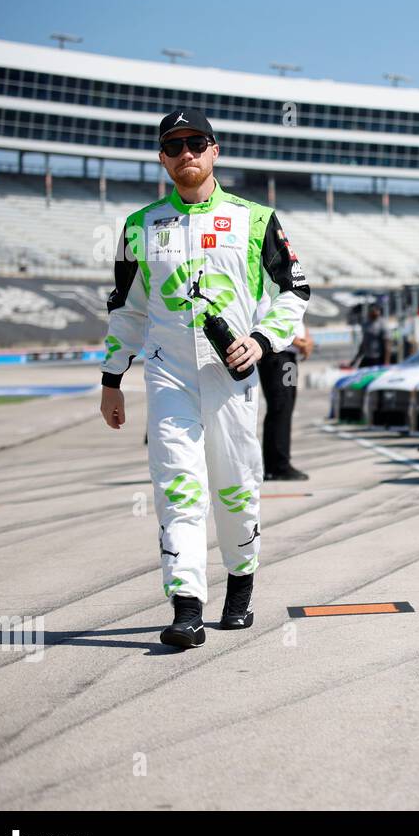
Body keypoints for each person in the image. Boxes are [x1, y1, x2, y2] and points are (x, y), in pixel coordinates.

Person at [99, 107, 309, 650]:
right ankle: (186, 606)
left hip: (231, 377)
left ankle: (240, 586)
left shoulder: (257, 219)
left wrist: (261, 341)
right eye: (174, 145)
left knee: (236, 485)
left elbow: (294, 293)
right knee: (177, 487)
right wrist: (112, 377)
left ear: (215, 150)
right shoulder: (139, 226)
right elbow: (126, 309)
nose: (186, 153)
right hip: (169, 374)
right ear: (162, 158)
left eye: (197, 143)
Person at [260, 309, 312, 482]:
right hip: (277, 355)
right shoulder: (269, 290)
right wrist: (299, 342)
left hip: (288, 358)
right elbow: (267, 322)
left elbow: (299, 320)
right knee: (279, 406)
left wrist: (307, 340)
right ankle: (277, 467)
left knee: (286, 405)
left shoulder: (290, 291)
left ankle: (280, 463)